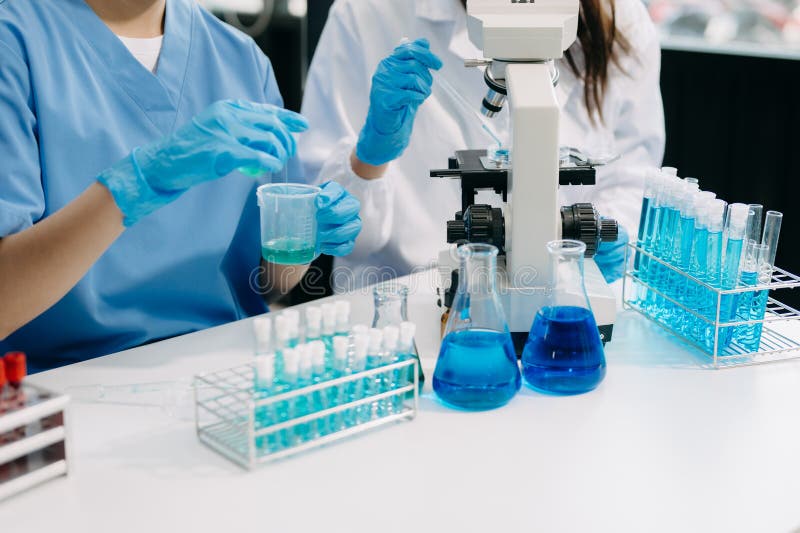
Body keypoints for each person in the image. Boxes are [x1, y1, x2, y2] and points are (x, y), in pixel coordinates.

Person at [0, 0, 361, 372]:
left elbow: (265, 284)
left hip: (226, 373)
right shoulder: (14, 40)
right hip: (64, 384)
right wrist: (137, 183)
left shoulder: (242, 60)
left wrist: (299, 243)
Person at [300, 0, 665, 290]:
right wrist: (371, 155)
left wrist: (608, 232)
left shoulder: (621, 21)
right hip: (403, 298)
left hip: (564, 294)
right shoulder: (368, 13)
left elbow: (631, 173)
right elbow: (333, 230)